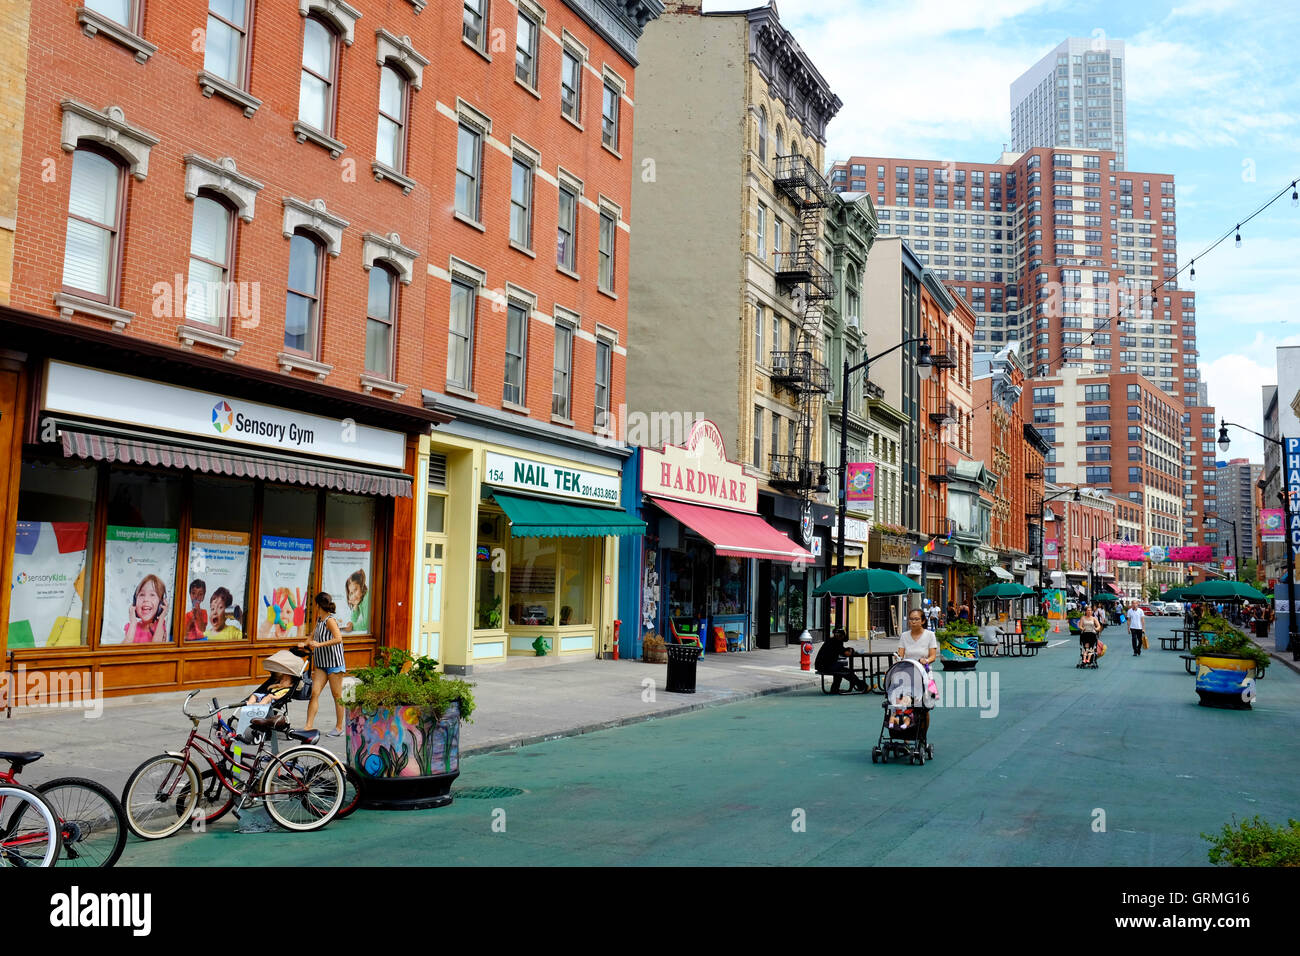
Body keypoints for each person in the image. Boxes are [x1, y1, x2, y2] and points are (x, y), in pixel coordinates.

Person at [301, 591, 347, 736]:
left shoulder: (330, 620)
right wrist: (304, 644)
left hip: (334, 663)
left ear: (318, 605)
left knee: (337, 695)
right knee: (314, 693)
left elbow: (338, 638)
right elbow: (313, 634)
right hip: (321, 663)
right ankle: (308, 726)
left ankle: (339, 727)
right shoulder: (320, 619)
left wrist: (320, 645)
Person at [815, 627, 868, 694]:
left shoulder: (832, 641)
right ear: (842, 636)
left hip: (822, 665)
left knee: (840, 670)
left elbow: (842, 650)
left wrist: (848, 649)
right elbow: (845, 653)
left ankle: (835, 689)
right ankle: (861, 685)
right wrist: (850, 650)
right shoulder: (836, 642)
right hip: (825, 666)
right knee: (846, 671)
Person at [125, 575, 169, 643]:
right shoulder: (131, 627)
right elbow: (124, 648)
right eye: (142, 595)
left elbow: (157, 646)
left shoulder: (159, 626)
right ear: (134, 602)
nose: (146, 599)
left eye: (152, 595)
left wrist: (162, 617)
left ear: (161, 604)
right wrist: (133, 623)